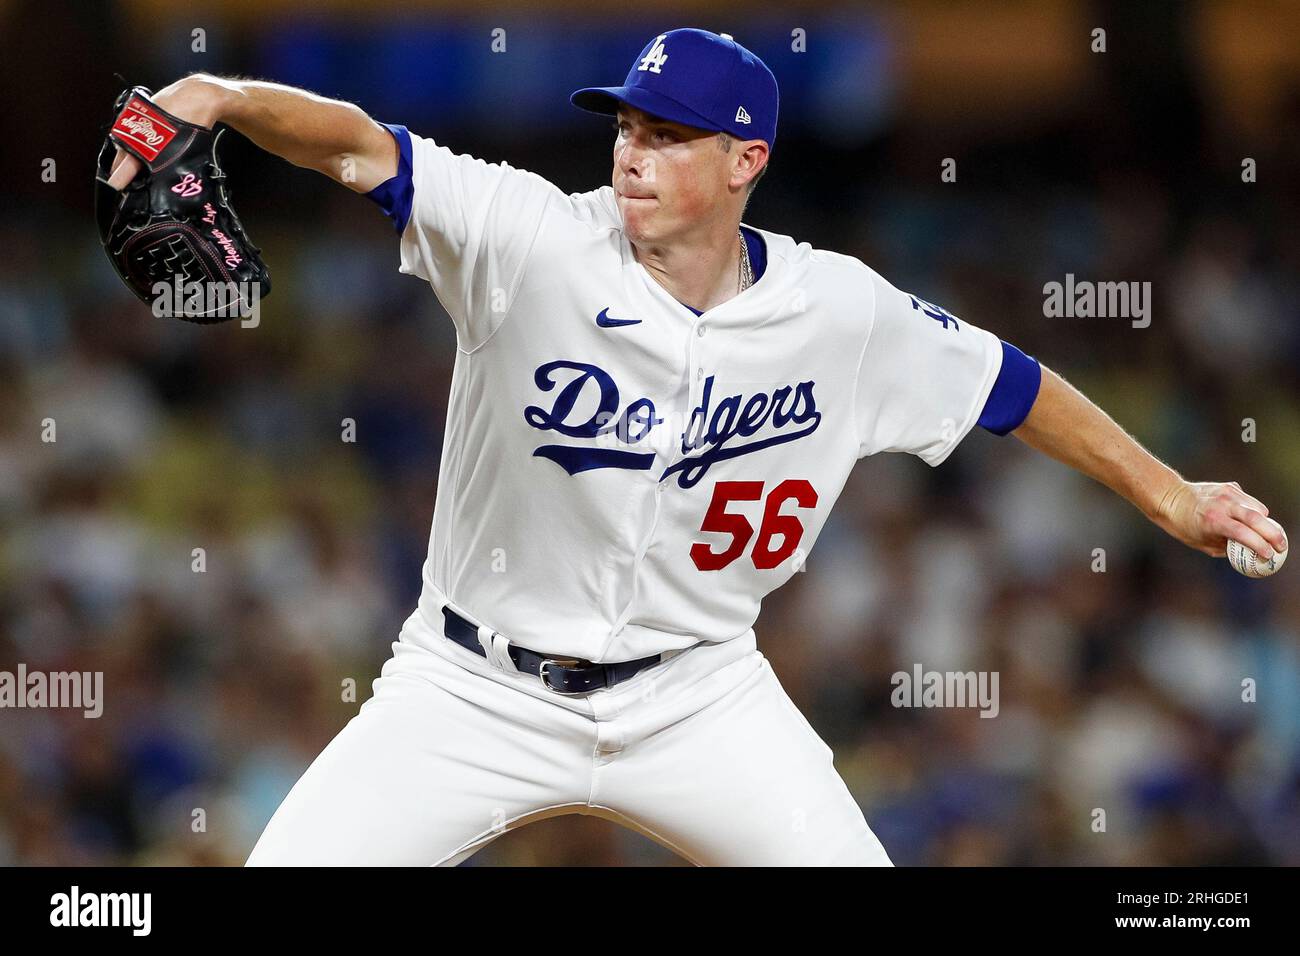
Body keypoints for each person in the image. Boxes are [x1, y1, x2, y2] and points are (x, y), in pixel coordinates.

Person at [109, 27, 1287, 866]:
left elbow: (1011, 385)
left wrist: (1169, 492)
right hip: (469, 689)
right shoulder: (530, 239)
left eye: (669, 135)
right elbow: (361, 146)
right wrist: (219, 96)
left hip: (698, 696)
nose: (630, 152)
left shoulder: (840, 311)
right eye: (626, 124)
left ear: (746, 163)